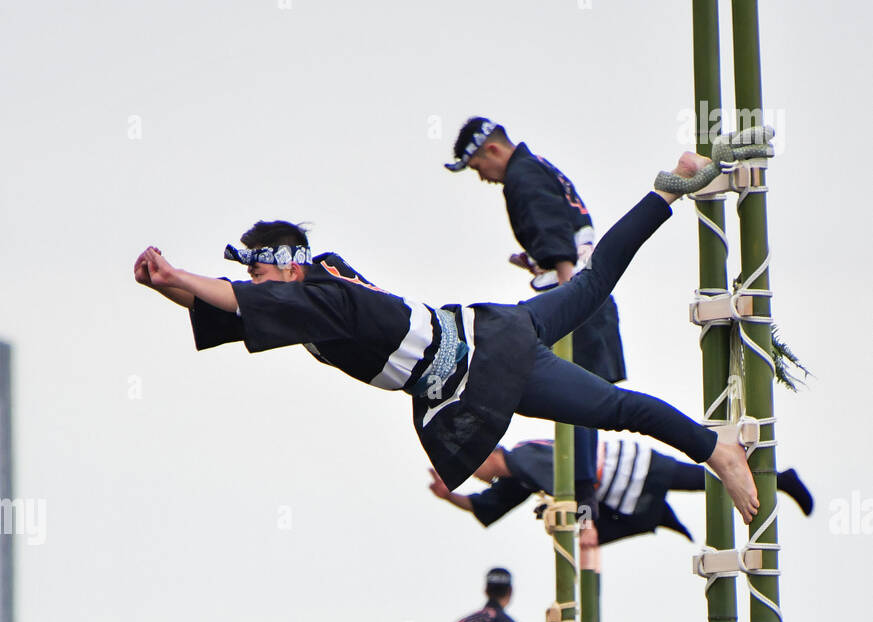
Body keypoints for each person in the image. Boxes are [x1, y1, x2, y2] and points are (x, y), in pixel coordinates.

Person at [133, 146, 759, 524]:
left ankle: (716, 452)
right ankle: (669, 187)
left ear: (289, 266)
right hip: (490, 325)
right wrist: (165, 283)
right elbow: (230, 301)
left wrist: (176, 272)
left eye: (262, 271)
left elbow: (237, 296)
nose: (256, 285)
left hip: (487, 362)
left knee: (614, 407)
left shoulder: (319, 298)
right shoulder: (312, 290)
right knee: (592, 287)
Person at [445, 115, 626, 525]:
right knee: (583, 398)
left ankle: (581, 495)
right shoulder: (539, 166)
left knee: (574, 397)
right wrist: (539, 263)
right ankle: (582, 492)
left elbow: (559, 243)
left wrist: (568, 296)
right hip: (588, 294)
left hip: (578, 301)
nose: (484, 178)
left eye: (478, 169)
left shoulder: (521, 178)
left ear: (492, 150)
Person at [430, 435, 814, 544]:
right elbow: (487, 506)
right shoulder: (517, 473)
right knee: (703, 483)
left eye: (471, 466)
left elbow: (575, 484)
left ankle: (780, 480)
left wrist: (585, 522)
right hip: (625, 484)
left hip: (630, 471)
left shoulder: (522, 459)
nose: (472, 474)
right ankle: (780, 481)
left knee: (706, 481)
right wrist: (450, 497)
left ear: (490, 453)